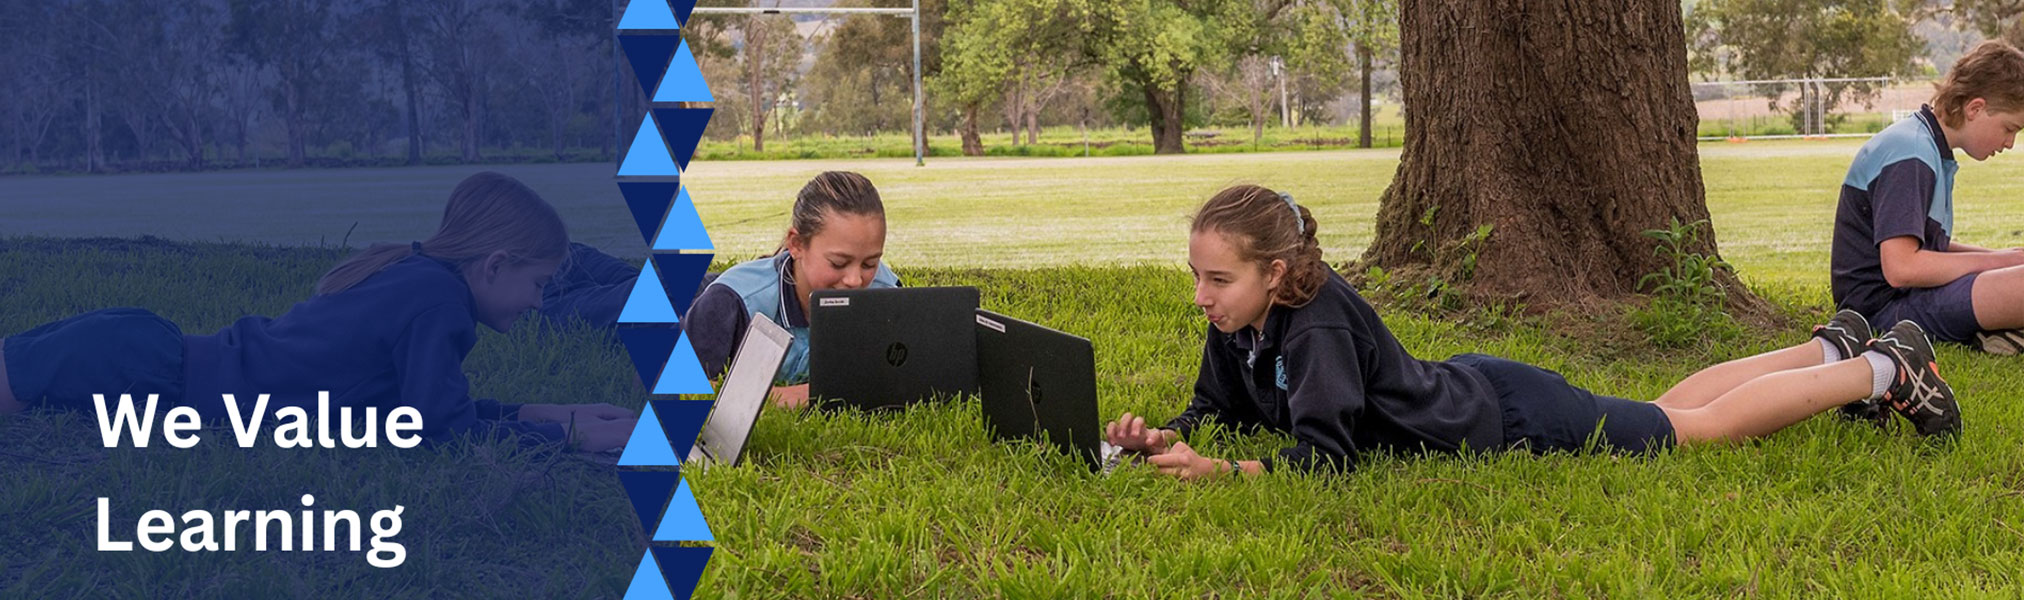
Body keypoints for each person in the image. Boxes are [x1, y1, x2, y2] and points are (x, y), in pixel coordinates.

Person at [1109, 185, 1961, 480]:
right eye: (1198, 277)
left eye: (1217, 279)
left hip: (1507, 416)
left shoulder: (1314, 325)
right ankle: (1829, 348)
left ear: (1274, 271)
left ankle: (1886, 368)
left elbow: (1327, 462)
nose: (1202, 297)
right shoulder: (1240, 318)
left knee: (1694, 430)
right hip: (1482, 388)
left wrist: (1224, 472)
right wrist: (1161, 440)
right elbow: (1215, 410)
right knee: (1666, 410)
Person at [0, 171, 635, 452]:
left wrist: (545, 412)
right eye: (537, 283)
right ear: (493, 264)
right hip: (143, 375)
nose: (540, 302)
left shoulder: (418, 278)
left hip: (139, 350)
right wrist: (571, 436)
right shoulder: (436, 303)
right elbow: (442, 433)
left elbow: (420, 413)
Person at [1832, 40, 2024, 360]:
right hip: (1883, 314)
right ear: (1975, 108)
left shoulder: (1925, 145)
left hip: (1907, 299)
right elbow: (1902, 268)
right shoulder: (1911, 153)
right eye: (2009, 128)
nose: (2009, 143)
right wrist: (1997, 263)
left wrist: (2006, 256)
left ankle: (2001, 328)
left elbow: (1927, 246)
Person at [679, 171, 899, 409]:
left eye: (869, 264)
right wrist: (800, 396)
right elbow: (686, 388)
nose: (855, 280)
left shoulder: (889, 293)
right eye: (838, 263)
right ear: (796, 244)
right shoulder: (730, 301)